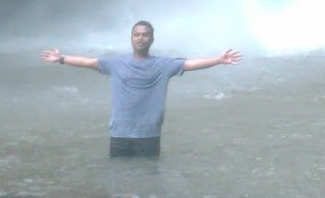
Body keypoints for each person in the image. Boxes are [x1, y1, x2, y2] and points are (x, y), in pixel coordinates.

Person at [41, 21, 241, 157]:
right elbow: (89, 62)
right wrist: (62, 59)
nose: (140, 38)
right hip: (119, 134)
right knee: (118, 180)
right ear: (131, 38)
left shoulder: (164, 65)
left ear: (152, 39)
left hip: (149, 135)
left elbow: (190, 64)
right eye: (136, 35)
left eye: (145, 35)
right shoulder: (115, 63)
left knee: (148, 181)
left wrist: (218, 60)